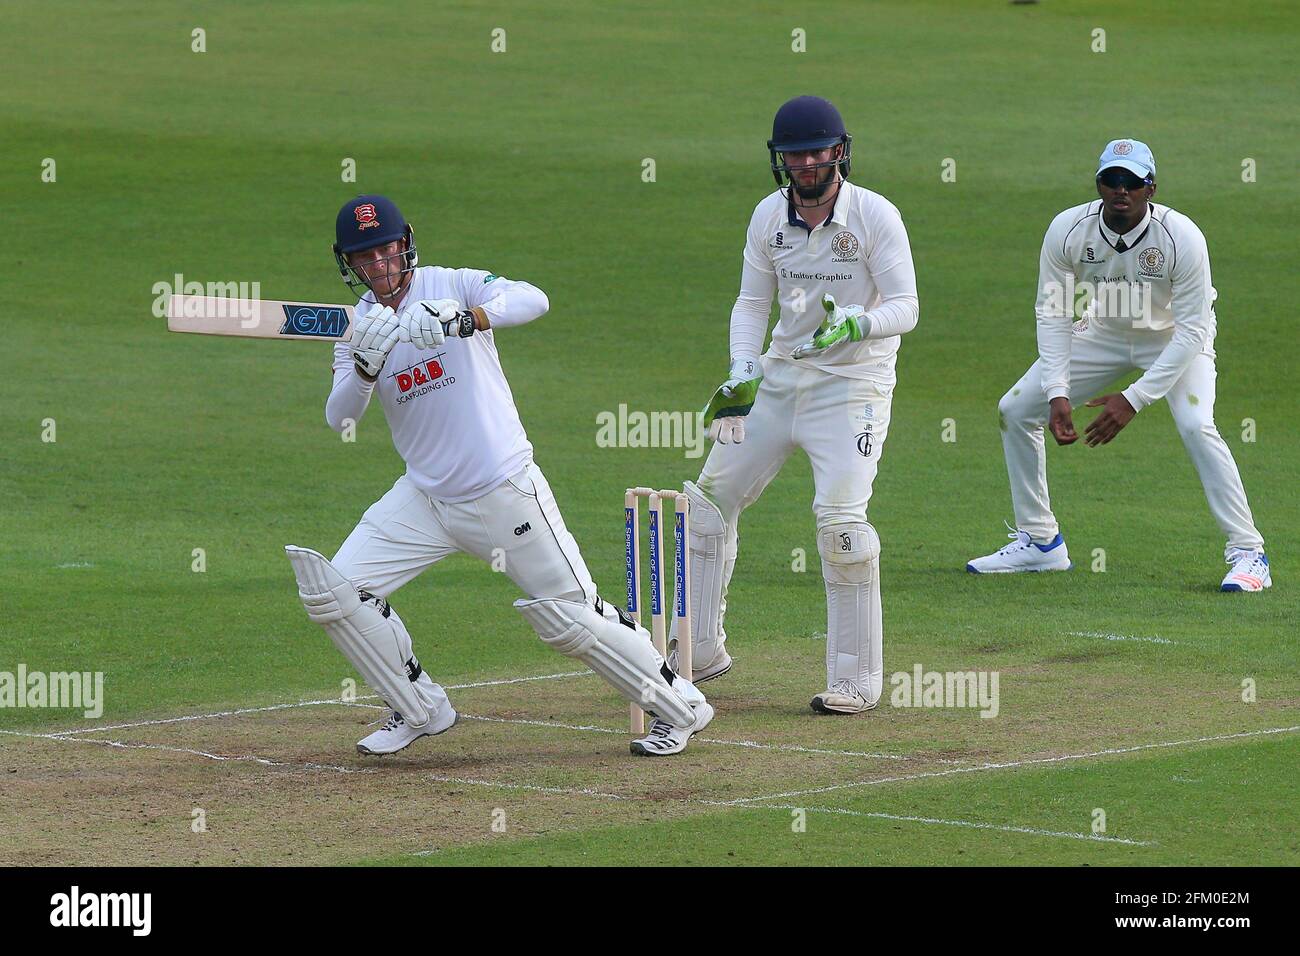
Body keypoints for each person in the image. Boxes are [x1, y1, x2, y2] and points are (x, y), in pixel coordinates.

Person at [285, 194, 712, 757]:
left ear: (405, 243)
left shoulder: (451, 284)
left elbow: (534, 299)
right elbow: (339, 416)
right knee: (335, 594)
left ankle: (681, 707)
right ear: (349, 263)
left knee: (570, 618)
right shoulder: (357, 325)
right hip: (424, 498)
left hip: (502, 489)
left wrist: (466, 318)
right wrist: (364, 368)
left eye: (387, 250)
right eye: (365, 257)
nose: (380, 266)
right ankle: (419, 708)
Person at [675, 96, 920, 714]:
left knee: (842, 532)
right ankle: (699, 652)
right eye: (795, 155)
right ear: (780, 159)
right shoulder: (767, 216)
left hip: (852, 386)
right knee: (705, 506)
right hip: (780, 378)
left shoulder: (875, 215)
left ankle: (854, 680)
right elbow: (752, 304)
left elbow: (907, 307)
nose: (807, 164)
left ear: (840, 152)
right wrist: (742, 371)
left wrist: (855, 327)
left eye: (817, 152)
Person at [966, 139, 1270, 592]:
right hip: (1103, 331)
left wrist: (1133, 400)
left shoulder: (1181, 236)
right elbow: (1052, 312)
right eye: (1111, 180)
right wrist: (1057, 392)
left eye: (1132, 182)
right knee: (1015, 410)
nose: (1120, 190)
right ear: (1099, 184)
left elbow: (1191, 331)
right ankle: (1041, 543)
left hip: (1172, 338)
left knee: (1195, 424)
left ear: (1151, 188)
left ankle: (1249, 552)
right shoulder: (1068, 229)